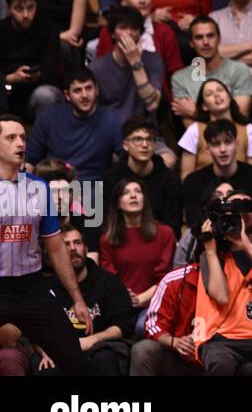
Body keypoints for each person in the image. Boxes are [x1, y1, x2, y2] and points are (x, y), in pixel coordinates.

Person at [0, 117, 91, 374]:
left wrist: (77, 299)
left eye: (23, 138)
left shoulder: (38, 188)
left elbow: (56, 247)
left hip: (31, 288)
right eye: (11, 138)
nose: (20, 143)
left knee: (76, 361)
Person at [194, 186, 252, 375]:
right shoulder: (211, 256)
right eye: (234, 208)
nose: (241, 213)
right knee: (220, 362)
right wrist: (211, 251)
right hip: (221, 338)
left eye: (246, 207)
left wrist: (246, 244)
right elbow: (220, 297)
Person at [32, 226, 133, 375]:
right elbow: (34, 330)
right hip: (60, 350)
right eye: (66, 244)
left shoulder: (109, 283)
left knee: (106, 360)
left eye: (77, 243)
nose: (73, 248)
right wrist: (44, 350)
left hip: (99, 347)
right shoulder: (47, 288)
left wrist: (93, 339)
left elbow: (123, 325)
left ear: (86, 248)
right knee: (46, 368)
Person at [98, 178, 176, 327]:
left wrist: (140, 299)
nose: (133, 196)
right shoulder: (107, 240)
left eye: (138, 192)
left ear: (144, 200)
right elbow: (109, 279)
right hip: (119, 301)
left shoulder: (165, 233)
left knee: (141, 326)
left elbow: (165, 277)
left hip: (153, 302)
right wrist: (125, 297)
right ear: (117, 203)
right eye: (126, 193)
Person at [25, 68, 122, 184]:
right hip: (56, 184)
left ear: (97, 90)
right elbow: (29, 161)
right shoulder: (49, 117)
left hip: (92, 187)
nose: (84, 95)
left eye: (89, 88)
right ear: (67, 95)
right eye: (77, 90)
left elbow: (125, 157)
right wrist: (22, 196)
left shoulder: (111, 119)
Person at [179, 121, 252, 243]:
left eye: (228, 142)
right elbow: (195, 222)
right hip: (209, 241)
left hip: (249, 239)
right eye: (216, 144)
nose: (222, 149)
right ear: (207, 149)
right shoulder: (193, 182)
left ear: (237, 144)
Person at [169, 18, 252, 128]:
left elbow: (240, 120)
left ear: (219, 39)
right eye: (199, 37)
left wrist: (195, 112)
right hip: (201, 144)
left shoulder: (239, 70)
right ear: (191, 43)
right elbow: (192, 132)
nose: (205, 42)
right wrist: (223, 113)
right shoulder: (179, 78)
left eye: (210, 36)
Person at [104, 118, 182, 237]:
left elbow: (173, 226)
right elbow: (100, 222)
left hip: (157, 242)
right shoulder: (109, 178)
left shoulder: (170, 179)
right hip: (118, 241)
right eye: (138, 139)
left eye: (149, 139)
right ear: (125, 145)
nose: (145, 145)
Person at [96, 0, 183, 83]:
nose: (142, 1)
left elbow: (175, 70)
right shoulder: (109, 31)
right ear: (124, 2)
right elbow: (101, 67)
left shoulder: (164, 31)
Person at [177, 78, 252, 178]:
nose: (216, 95)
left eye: (220, 90)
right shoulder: (194, 130)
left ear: (230, 97)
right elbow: (186, 176)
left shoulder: (249, 130)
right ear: (204, 106)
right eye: (209, 94)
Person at [90, 7, 165, 124]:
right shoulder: (96, 68)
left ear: (140, 33)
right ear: (112, 34)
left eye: (134, 28)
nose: (129, 33)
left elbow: (152, 104)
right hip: (110, 131)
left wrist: (136, 63)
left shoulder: (153, 60)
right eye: (123, 28)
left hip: (143, 131)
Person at [0, 0, 61, 121]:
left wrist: (37, 75)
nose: (26, 14)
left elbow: (52, 70)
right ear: (9, 8)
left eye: (30, 7)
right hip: (6, 90)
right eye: (19, 9)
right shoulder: (1, 30)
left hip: (36, 91)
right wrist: (10, 78)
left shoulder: (48, 29)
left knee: (46, 95)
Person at [131, 262, 200, 376]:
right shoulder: (175, 279)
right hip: (176, 356)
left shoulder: (235, 278)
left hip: (216, 356)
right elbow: (153, 325)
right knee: (143, 349)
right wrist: (176, 343)